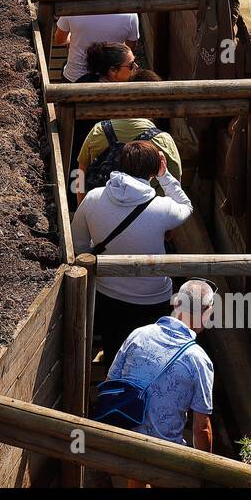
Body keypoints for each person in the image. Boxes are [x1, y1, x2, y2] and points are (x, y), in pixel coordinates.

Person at [73, 139, 195, 365]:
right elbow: (186, 206)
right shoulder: (163, 207)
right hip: (153, 298)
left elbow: (79, 246)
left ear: (120, 163)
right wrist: (165, 176)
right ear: (155, 168)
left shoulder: (92, 198)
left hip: (107, 294)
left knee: (114, 353)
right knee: (150, 358)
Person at [105, 279, 215, 451]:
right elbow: (202, 429)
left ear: (176, 303)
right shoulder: (199, 360)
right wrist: (206, 471)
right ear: (207, 311)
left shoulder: (138, 334)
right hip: (164, 453)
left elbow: (110, 383)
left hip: (123, 440)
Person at [52, 0, 138, 81]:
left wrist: (72, 39)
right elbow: (129, 50)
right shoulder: (130, 12)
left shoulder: (74, 4)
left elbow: (59, 39)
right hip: (111, 79)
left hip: (75, 77)